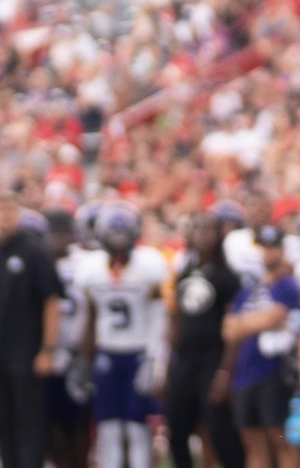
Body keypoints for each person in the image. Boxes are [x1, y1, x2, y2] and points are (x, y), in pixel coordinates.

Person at [78, 205, 171, 468]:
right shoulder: (91, 269)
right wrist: (85, 359)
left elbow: (158, 315)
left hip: (138, 352)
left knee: (136, 426)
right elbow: (91, 316)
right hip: (107, 352)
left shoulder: (148, 265)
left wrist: (155, 358)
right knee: (108, 428)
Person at [166, 212, 245, 468]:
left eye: (208, 229)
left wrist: (225, 372)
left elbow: (233, 327)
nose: (202, 234)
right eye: (197, 228)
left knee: (218, 428)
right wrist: (167, 360)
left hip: (213, 357)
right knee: (176, 426)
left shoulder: (228, 277)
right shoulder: (185, 272)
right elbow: (177, 318)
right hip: (185, 358)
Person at [224, 227, 300, 468]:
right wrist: (254, 322)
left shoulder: (287, 285)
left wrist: (245, 323)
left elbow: (274, 318)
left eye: (273, 248)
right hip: (245, 373)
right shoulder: (250, 289)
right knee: (252, 441)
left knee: (280, 439)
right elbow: (228, 330)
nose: (268, 254)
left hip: (273, 371)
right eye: (264, 248)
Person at [0, 188, 61, 468]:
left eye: (10, 210)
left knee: (29, 424)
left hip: (26, 351)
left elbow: (51, 301)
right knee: (6, 425)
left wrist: (47, 349)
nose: (6, 216)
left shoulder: (34, 250)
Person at [44, 207, 93, 468]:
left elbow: (93, 310)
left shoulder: (86, 261)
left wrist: (84, 354)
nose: (58, 240)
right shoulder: (39, 260)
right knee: (50, 420)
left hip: (75, 350)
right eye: (54, 234)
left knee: (78, 421)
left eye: (63, 234)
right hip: (49, 352)